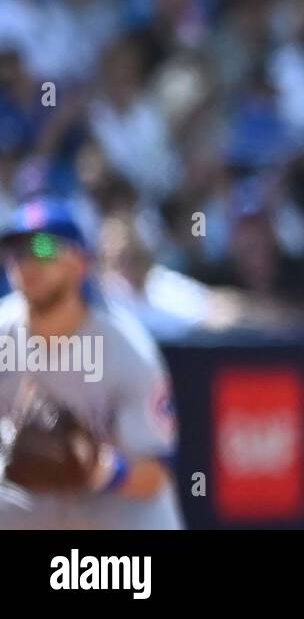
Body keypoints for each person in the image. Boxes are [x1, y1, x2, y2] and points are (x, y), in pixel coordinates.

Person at [0, 198, 183, 528]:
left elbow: (156, 471)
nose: (26, 262)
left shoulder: (127, 350)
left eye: (41, 247)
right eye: (15, 251)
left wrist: (96, 467)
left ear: (78, 263)